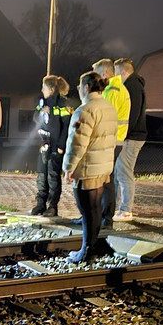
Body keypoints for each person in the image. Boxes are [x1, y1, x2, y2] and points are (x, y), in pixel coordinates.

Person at [62, 71, 119, 263]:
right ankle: (91, 248)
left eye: (79, 86)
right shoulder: (109, 107)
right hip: (102, 167)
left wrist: (69, 168)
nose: (78, 90)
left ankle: (86, 251)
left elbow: (77, 143)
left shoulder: (85, 110)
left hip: (87, 168)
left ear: (86, 87)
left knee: (87, 211)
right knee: (95, 209)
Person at [91, 58, 131, 227]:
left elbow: (106, 117)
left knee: (105, 181)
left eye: (97, 75)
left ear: (105, 73)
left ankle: (104, 218)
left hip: (109, 141)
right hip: (115, 140)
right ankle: (101, 217)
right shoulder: (118, 88)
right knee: (105, 180)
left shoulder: (112, 90)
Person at [29, 75, 73, 217]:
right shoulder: (42, 102)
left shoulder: (62, 103)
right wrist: (40, 112)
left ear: (52, 89)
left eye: (44, 87)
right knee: (41, 175)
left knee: (53, 177)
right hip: (44, 144)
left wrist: (61, 146)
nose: (42, 90)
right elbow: (35, 117)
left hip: (56, 146)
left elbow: (67, 126)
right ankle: (40, 204)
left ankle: (52, 207)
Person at [113, 58, 147, 221]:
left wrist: (123, 135)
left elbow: (130, 115)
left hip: (131, 137)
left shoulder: (131, 87)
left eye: (117, 73)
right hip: (132, 136)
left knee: (124, 172)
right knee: (121, 172)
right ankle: (119, 209)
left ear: (122, 72)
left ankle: (125, 210)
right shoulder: (135, 85)